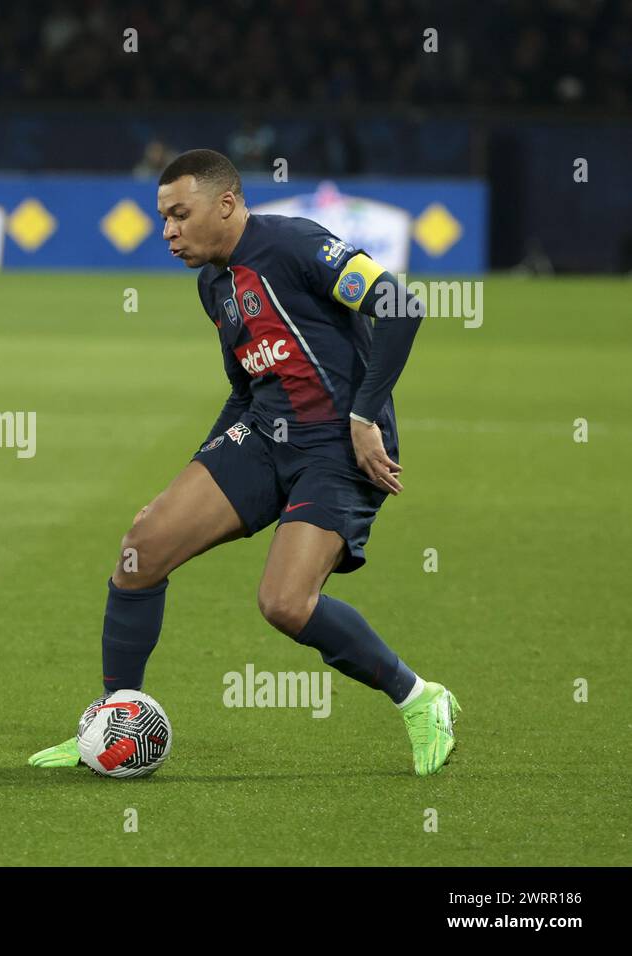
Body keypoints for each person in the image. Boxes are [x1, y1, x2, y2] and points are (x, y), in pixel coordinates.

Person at [29, 149, 460, 777]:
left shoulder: (295, 245)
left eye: (180, 215)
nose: (168, 231)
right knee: (141, 549)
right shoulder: (214, 286)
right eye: (163, 218)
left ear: (225, 204)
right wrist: (196, 474)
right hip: (261, 435)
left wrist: (365, 418)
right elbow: (245, 387)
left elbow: (400, 305)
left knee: (285, 603)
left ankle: (421, 699)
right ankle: (113, 720)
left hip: (338, 448)